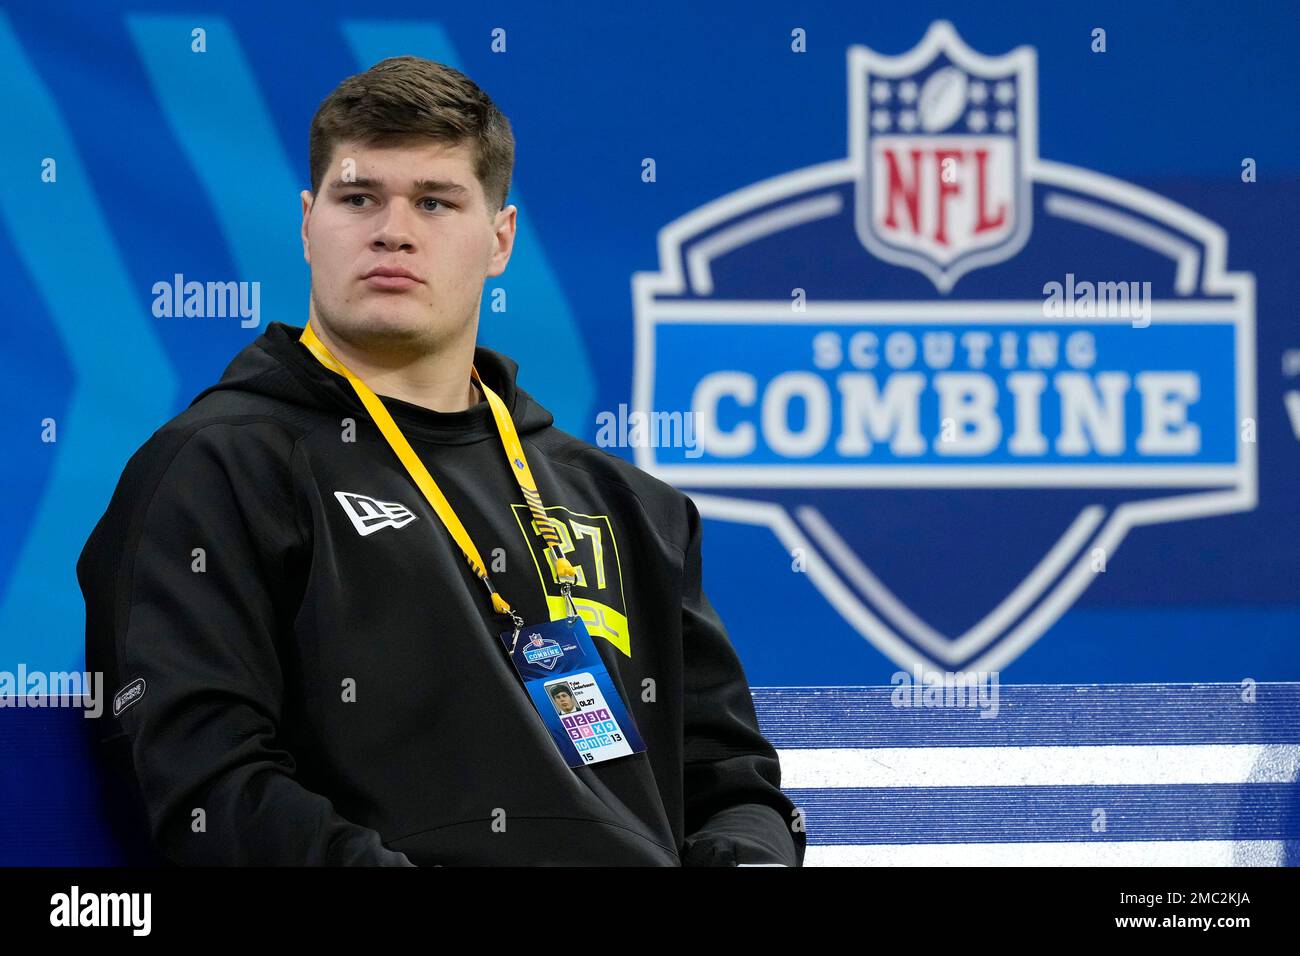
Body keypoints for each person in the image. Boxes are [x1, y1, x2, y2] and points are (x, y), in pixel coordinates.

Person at [78, 55, 805, 868]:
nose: (393, 229)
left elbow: (733, 784)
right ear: (308, 223)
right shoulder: (215, 469)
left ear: (500, 239)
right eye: (360, 198)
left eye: (434, 201)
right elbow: (205, 787)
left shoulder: (626, 504)